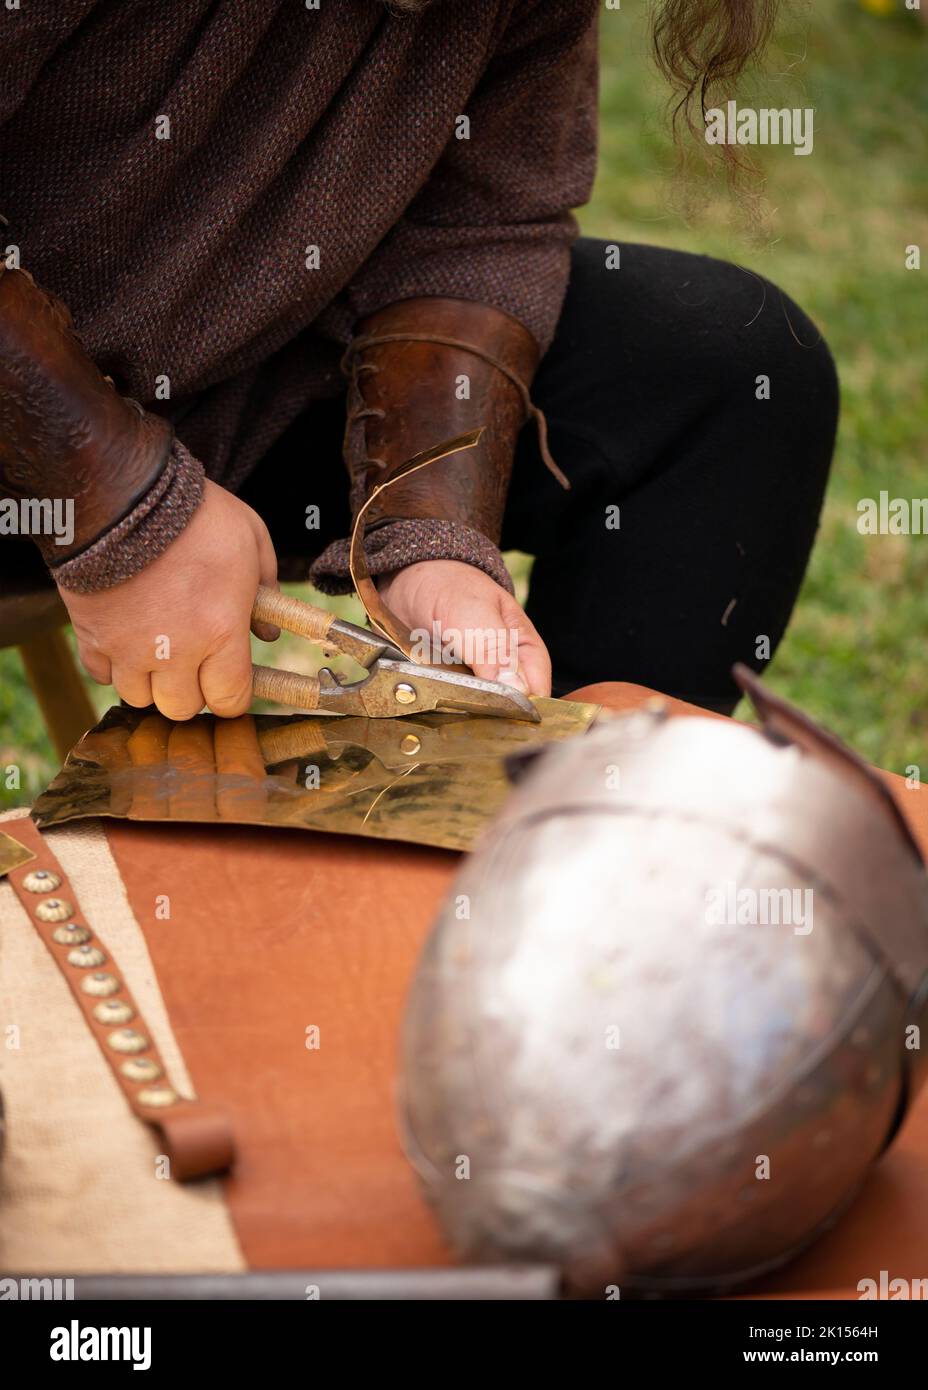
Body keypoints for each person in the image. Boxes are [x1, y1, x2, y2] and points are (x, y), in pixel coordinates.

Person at [0, 0, 837, 720]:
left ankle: (562, 862)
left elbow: (478, 224)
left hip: (246, 394)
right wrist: (111, 502)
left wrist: (429, 532)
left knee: (731, 373)